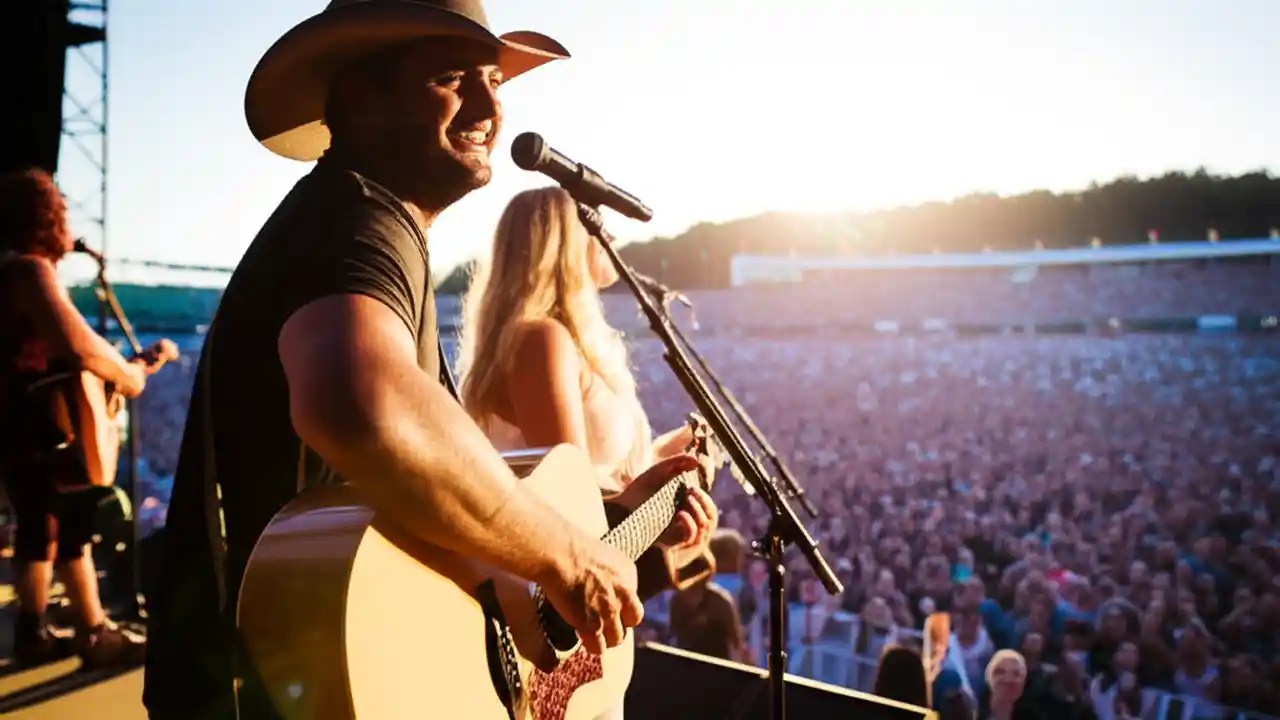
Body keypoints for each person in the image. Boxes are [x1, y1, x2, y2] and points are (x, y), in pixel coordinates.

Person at [141, 2, 713, 718]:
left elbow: (412, 495)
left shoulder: (365, 223)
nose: (487, 105)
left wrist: (609, 514)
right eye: (451, 78)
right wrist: (566, 555)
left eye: (495, 81)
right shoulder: (358, 220)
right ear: (359, 97)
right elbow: (358, 405)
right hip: (267, 681)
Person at [0, 167, 154, 668]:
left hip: (21, 426)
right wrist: (128, 376)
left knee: (47, 527)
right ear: (45, 218)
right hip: (30, 427)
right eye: (61, 211)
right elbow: (76, 344)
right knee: (52, 525)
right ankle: (82, 632)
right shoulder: (27, 270)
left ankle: (54, 631)